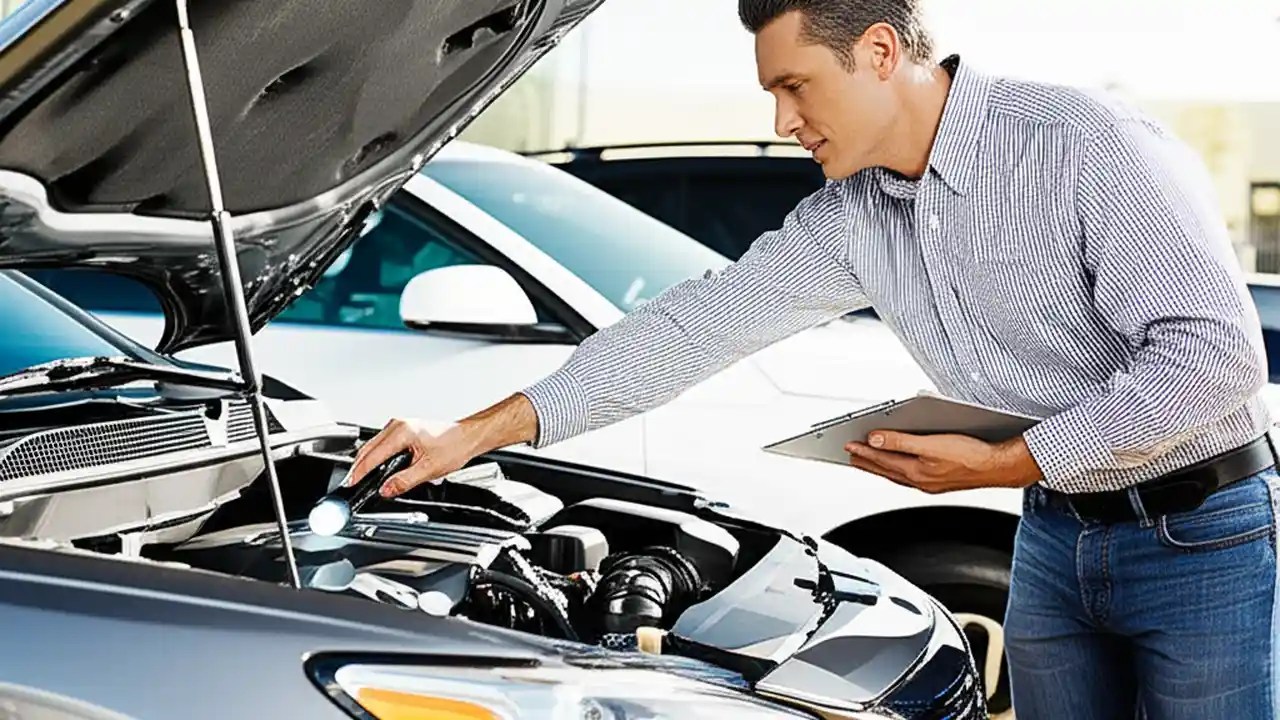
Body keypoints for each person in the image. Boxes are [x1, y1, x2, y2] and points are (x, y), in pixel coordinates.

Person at [349, 1, 1278, 717]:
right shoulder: (853, 214)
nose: (787, 119)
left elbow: (1214, 360)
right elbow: (691, 327)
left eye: (795, 86)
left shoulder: (1081, 144)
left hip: (1204, 533)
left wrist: (1006, 461)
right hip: (1052, 532)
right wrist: (473, 433)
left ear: (880, 53)